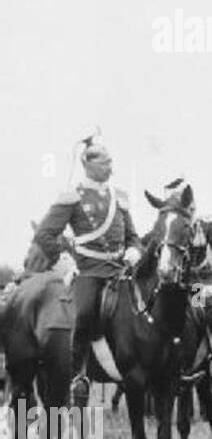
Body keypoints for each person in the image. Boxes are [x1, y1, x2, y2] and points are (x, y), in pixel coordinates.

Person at [34, 134, 141, 403]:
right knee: (82, 314)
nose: (111, 167)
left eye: (111, 162)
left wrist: (133, 250)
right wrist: (65, 262)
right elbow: (45, 234)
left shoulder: (121, 197)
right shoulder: (73, 197)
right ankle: (77, 374)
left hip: (120, 270)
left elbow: (133, 236)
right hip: (90, 271)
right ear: (89, 164)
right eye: (106, 162)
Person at [152, 178, 212, 379]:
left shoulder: (204, 224)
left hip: (197, 284)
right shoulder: (169, 223)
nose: (187, 207)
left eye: (185, 201)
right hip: (171, 283)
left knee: (205, 313)